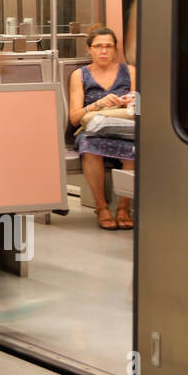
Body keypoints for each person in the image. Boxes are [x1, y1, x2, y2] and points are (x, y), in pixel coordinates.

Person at [68, 25, 137, 230]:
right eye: (98, 46)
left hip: (123, 127)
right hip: (93, 130)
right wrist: (98, 104)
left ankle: (124, 208)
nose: (104, 51)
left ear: (116, 49)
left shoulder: (130, 71)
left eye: (108, 46)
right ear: (89, 49)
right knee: (90, 147)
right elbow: (74, 117)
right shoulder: (80, 76)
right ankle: (102, 207)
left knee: (134, 151)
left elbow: (140, 108)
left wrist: (129, 101)